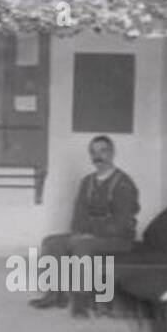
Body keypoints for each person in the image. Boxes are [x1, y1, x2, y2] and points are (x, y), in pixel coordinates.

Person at [29, 135, 139, 317]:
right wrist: (80, 232)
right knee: (52, 242)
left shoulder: (124, 184)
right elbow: (78, 216)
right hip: (90, 234)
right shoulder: (87, 181)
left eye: (103, 151)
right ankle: (55, 294)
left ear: (112, 153)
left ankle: (81, 301)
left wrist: (91, 234)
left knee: (82, 245)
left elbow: (121, 222)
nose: (98, 157)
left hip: (119, 238)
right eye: (93, 152)